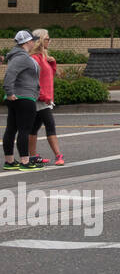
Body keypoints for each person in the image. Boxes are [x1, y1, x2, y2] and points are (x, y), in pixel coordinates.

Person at [4, 30, 43, 171]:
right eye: (33, 40)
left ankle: (9, 161)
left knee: (11, 129)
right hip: (24, 97)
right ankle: (25, 162)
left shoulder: (18, 56)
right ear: (27, 42)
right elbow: (10, 74)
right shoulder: (21, 57)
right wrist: (9, 91)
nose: (34, 42)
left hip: (19, 96)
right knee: (24, 130)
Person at [28, 29, 66, 165]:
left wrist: (53, 63)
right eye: (47, 39)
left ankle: (33, 156)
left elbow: (49, 76)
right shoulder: (34, 58)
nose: (49, 41)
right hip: (40, 99)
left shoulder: (44, 57)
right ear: (40, 40)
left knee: (34, 127)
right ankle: (58, 155)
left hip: (46, 98)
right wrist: (42, 95)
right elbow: (33, 80)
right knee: (50, 124)